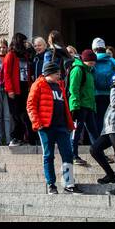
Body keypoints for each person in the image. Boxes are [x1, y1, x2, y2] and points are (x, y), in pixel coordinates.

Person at [27, 57, 79, 194]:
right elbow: (30, 105)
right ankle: (51, 184)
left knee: (67, 154)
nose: (59, 75)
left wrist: (69, 123)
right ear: (49, 73)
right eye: (57, 73)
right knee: (48, 155)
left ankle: (68, 183)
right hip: (46, 127)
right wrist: (37, 124)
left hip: (62, 127)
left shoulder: (60, 85)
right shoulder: (38, 85)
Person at [69, 49, 99, 160]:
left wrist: (93, 106)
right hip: (80, 106)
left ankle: (99, 153)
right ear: (84, 60)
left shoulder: (89, 71)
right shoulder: (78, 70)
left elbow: (90, 90)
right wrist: (75, 107)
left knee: (93, 131)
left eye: (93, 61)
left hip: (88, 106)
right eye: (90, 61)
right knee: (76, 131)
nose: (92, 63)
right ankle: (73, 154)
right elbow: (73, 89)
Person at [91, 38, 115, 121]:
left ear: (93, 49)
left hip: (95, 94)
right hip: (110, 94)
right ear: (104, 48)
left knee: (97, 119)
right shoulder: (111, 59)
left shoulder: (92, 60)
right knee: (109, 119)